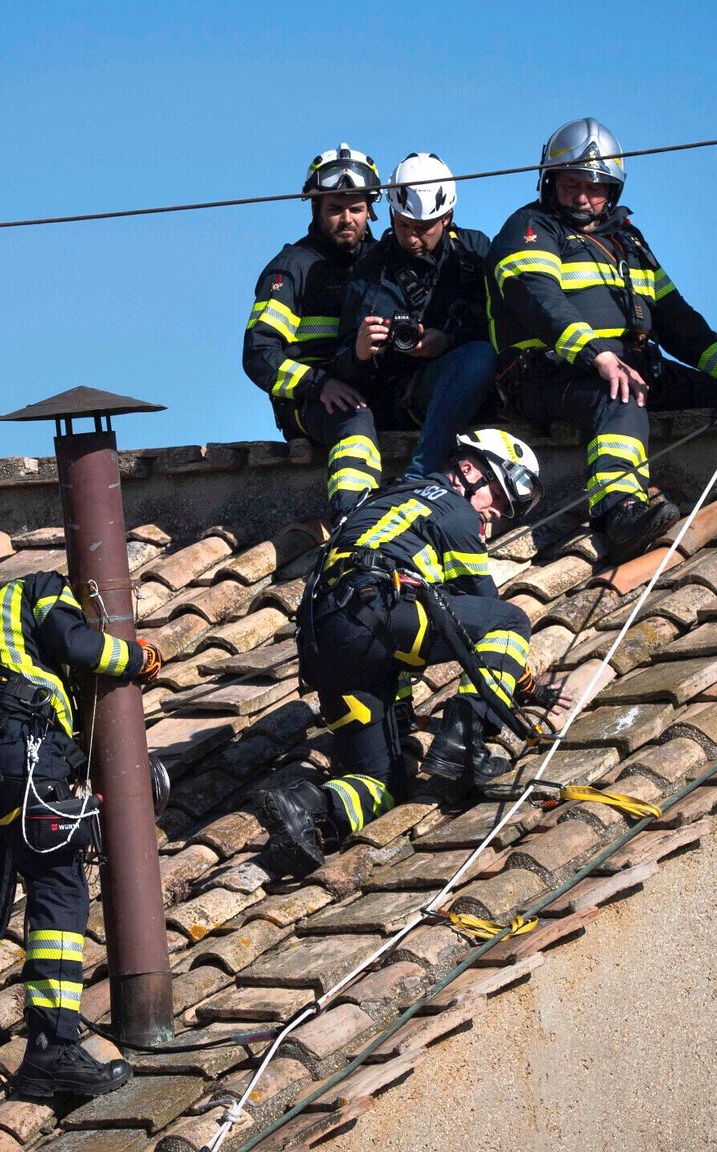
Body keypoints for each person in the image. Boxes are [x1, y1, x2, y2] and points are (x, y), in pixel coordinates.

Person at [254, 429, 568, 875]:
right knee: (511, 620)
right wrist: (524, 684)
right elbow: (485, 614)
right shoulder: (451, 508)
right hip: (372, 615)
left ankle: (306, 808)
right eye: (496, 496)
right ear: (467, 469)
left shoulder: (387, 502)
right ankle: (465, 741)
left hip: (328, 648)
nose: (494, 516)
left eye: (504, 514)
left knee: (386, 779)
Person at [0, 570, 162, 1099]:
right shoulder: (44, 586)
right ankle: (53, 1048)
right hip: (14, 741)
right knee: (58, 880)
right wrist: (138, 658)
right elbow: (75, 644)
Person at [488, 117, 717, 567]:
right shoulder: (530, 229)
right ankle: (618, 510)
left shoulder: (629, 242)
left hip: (628, 364)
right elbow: (540, 301)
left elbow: (677, 318)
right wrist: (596, 355)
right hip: (549, 374)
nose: (582, 196)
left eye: (595, 187)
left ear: (612, 192)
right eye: (571, 184)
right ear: (548, 182)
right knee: (622, 395)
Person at [243, 144, 390, 518]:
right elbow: (259, 352)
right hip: (310, 402)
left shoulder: (387, 261)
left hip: (375, 388)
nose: (346, 219)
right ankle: (353, 520)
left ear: (370, 211)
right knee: (354, 419)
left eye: (356, 209)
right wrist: (317, 384)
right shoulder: (291, 269)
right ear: (315, 208)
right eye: (335, 209)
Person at [336, 153, 498, 484]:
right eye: (402, 225)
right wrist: (360, 352)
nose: (411, 238)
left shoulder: (473, 252)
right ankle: (420, 474)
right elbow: (342, 368)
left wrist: (447, 342)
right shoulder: (370, 270)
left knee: (481, 355)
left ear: (447, 217)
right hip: (402, 396)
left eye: (423, 228)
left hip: (470, 377)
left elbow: (501, 327)